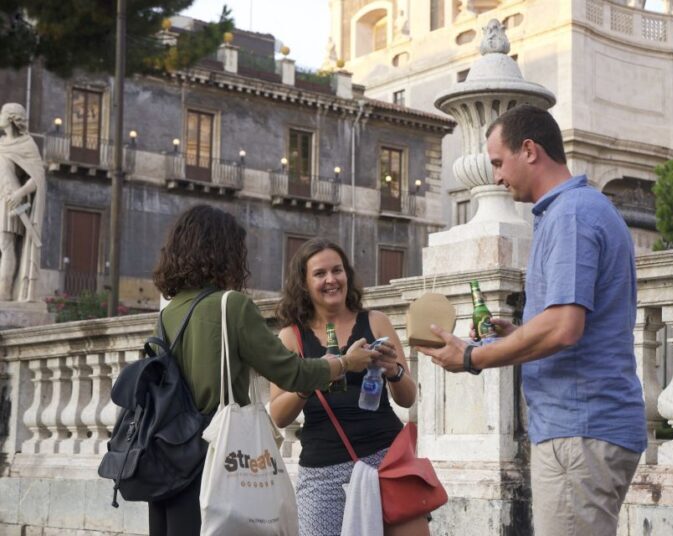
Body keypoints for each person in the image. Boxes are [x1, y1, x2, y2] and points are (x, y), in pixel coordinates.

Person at [418, 105, 646, 536]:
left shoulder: (571, 216)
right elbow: (571, 323)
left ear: (529, 150)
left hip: (579, 429)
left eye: (499, 163)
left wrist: (474, 356)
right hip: (586, 426)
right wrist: (521, 334)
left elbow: (564, 327)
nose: (498, 177)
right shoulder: (579, 209)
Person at [149, 206, 378, 536]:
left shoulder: (168, 314)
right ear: (224, 252)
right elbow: (289, 372)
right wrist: (343, 363)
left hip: (168, 460)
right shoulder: (231, 306)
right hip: (218, 457)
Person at [270, 238, 428, 536]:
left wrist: (393, 370)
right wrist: (318, 375)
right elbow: (279, 415)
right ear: (303, 283)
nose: (331, 280)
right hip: (323, 471)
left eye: (337, 270)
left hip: (388, 459)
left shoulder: (376, 321)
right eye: (319, 274)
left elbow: (407, 398)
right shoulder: (291, 338)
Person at [0, 102, 45, 302]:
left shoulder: (26, 145)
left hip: (11, 202)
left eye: (1, 113)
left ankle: (4, 291)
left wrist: (20, 194)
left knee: (6, 246)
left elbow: (37, 178)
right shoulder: (0, 144)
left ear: (10, 118)